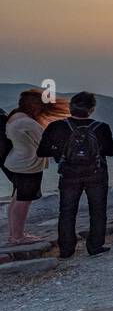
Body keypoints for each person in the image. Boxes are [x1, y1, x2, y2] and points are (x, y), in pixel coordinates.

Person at [35, 91, 113, 258]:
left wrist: (61, 151)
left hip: (69, 175)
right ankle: (95, 247)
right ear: (91, 109)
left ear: (70, 107)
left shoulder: (57, 126)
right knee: (98, 210)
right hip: (96, 174)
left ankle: (66, 250)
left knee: (67, 211)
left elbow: (42, 151)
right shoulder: (101, 127)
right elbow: (111, 151)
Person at [3, 89, 67, 244]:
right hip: (27, 164)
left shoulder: (14, 116)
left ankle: (14, 234)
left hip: (16, 161)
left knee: (17, 198)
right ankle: (18, 237)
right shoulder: (27, 122)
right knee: (24, 200)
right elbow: (45, 143)